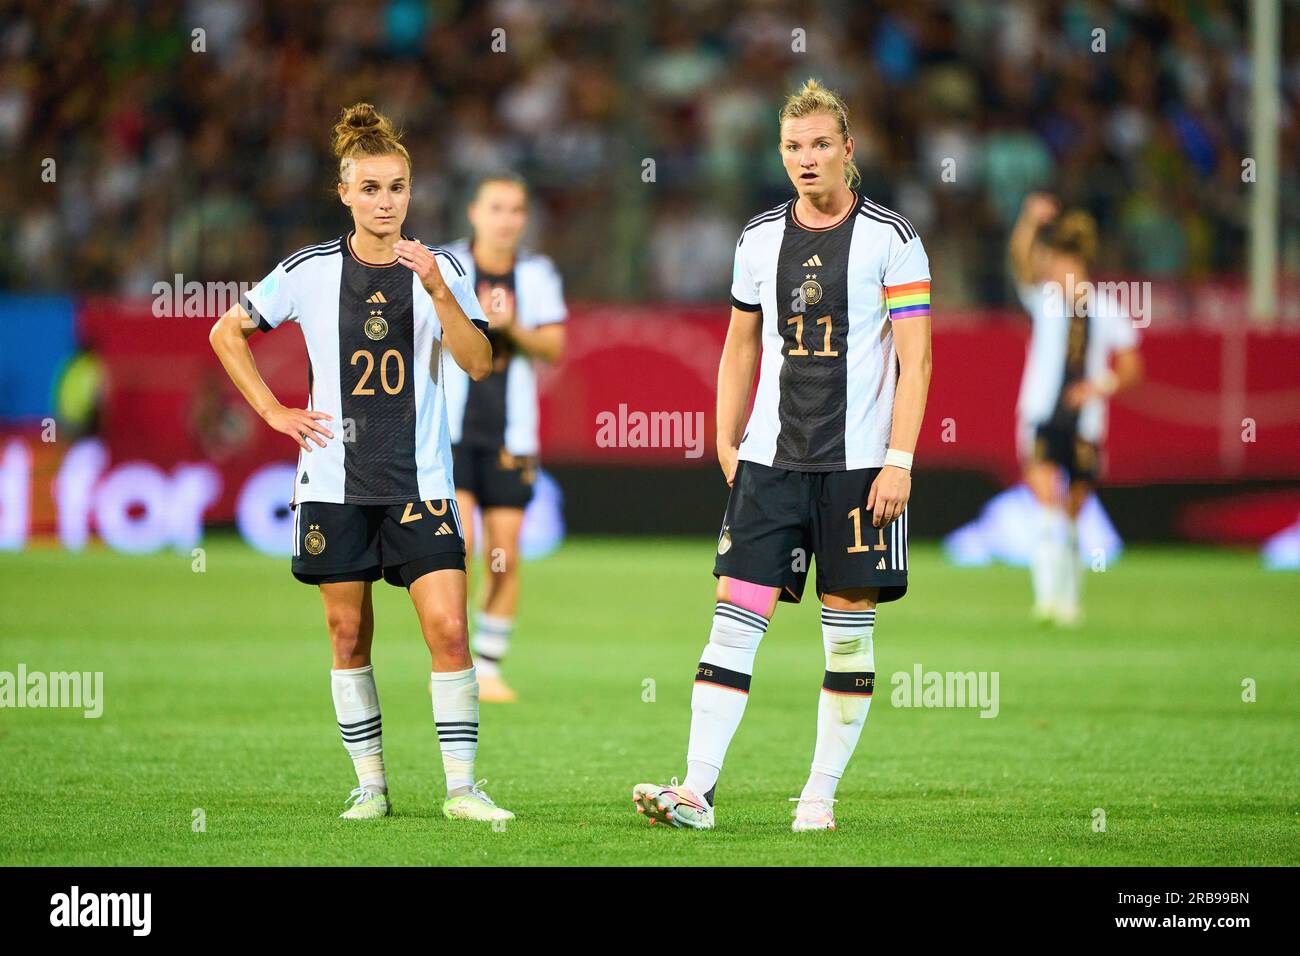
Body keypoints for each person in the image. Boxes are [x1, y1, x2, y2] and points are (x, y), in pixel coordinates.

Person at [633, 79, 933, 832]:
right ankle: (697, 790)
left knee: (848, 631)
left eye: (821, 144)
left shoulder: (892, 238)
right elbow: (740, 341)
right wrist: (723, 432)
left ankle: (819, 795)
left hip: (862, 469)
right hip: (770, 461)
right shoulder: (760, 237)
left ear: (847, 151)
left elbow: (916, 360)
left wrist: (900, 459)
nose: (807, 158)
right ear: (781, 152)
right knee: (733, 621)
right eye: (794, 146)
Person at [208, 103, 514, 823]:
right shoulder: (308, 272)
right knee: (349, 635)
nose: (385, 201)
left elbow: (477, 362)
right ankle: (371, 787)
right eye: (370, 188)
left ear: (412, 192)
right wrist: (275, 413)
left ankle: (462, 789)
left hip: (422, 482)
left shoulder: (442, 268)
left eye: (397, 187)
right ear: (344, 192)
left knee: (448, 629)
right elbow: (228, 331)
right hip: (333, 484)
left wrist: (439, 287)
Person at [442, 173, 567, 703]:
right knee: (461, 548)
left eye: (516, 209)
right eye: (497, 208)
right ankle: (458, 658)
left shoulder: (537, 275)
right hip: (449, 431)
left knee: (505, 554)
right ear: (474, 212)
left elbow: (554, 348)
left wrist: (511, 329)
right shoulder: (445, 266)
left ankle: (489, 666)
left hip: (512, 435)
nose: (507, 219)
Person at [1008, 194, 1142, 625]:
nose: (1051, 272)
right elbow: (1021, 262)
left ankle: (1068, 600)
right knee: (1047, 504)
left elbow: (1131, 366)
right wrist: (1029, 221)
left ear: (1077, 266)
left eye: (1059, 265)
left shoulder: (1105, 308)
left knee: (1072, 511)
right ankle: (1048, 601)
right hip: (1042, 415)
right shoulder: (1046, 302)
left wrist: (1098, 386)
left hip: (1085, 424)